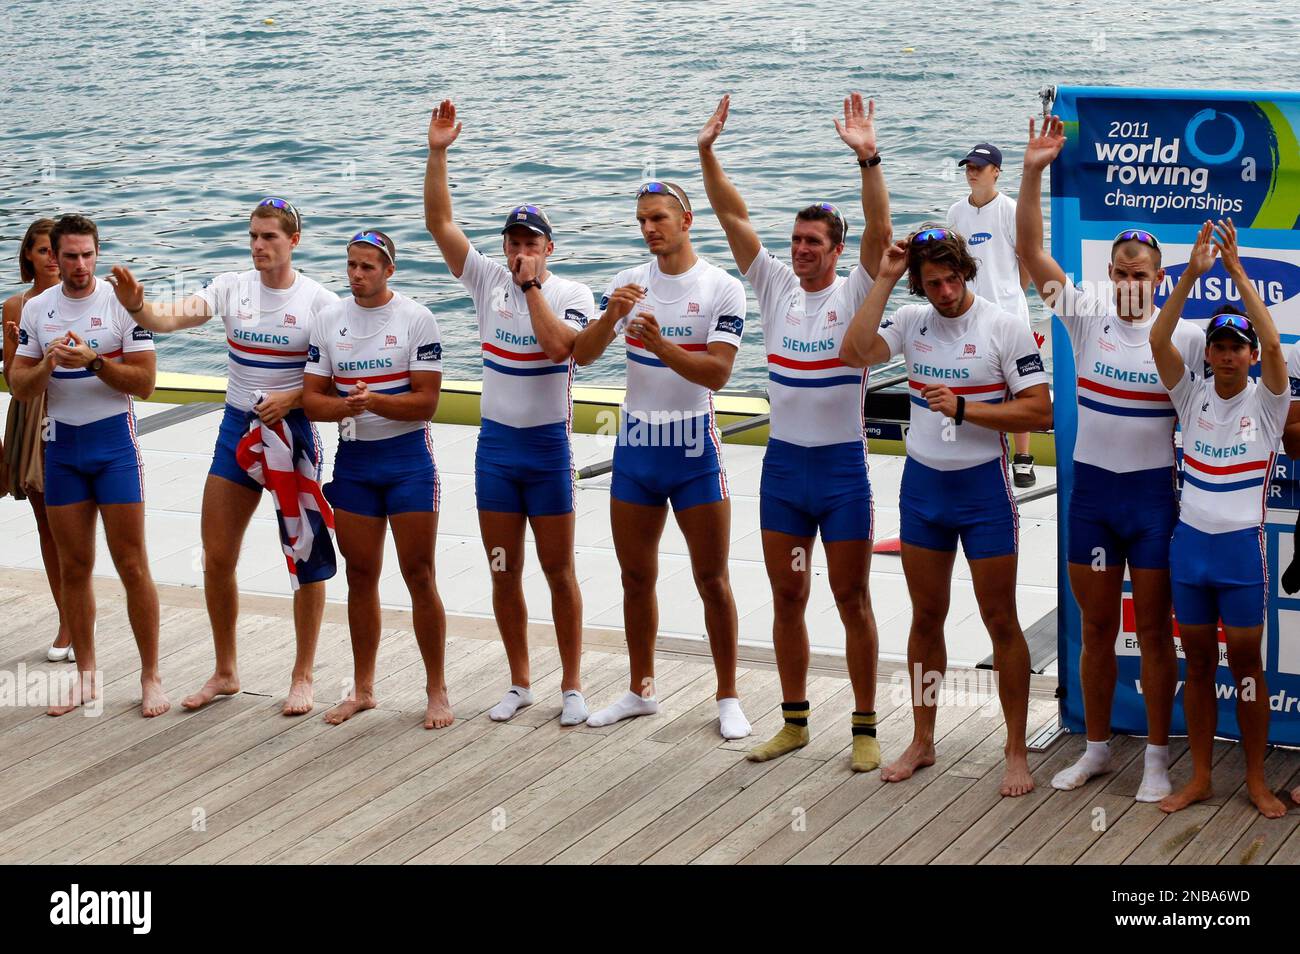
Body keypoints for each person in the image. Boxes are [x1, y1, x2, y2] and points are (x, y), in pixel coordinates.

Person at [697, 92, 890, 768]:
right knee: (788, 595)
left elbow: (877, 227)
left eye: (814, 242)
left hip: (840, 471)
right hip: (784, 470)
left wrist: (868, 158)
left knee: (850, 597)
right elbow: (730, 214)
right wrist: (706, 154)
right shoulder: (774, 285)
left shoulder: (858, 288)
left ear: (836, 251)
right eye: (797, 241)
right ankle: (795, 721)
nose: (801, 250)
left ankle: (865, 729)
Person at [1017, 116, 1206, 801]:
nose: (1129, 284)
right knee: (1097, 629)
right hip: (1094, 498)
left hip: (1153, 501)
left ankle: (1156, 757)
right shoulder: (1085, 314)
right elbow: (1029, 250)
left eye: (1141, 275)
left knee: (1155, 632)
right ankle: (1097, 748)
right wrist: (1035, 169)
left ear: (1160, 277)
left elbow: (1262, 372)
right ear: (1109, 274)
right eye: (1120, 273)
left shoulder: (1185, 336)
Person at [841, 226, 1052, 797]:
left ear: (967, 273)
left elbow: (1040, 412)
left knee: (1000, 620)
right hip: (924, 490)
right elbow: (853, 351)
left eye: (952, 279)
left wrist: (966, 409)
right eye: (931, 282)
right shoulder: (912, 321)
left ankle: (1014, 750)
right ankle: (923, 739)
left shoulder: (1004, 327)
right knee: (926, 618)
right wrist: (884, 280)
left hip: (982, 491)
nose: (944, 291)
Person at [108, 197, 338, 716]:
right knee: (216, 556)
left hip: (291, 433)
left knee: (304, 557)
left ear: (293, 241)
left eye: (269, 237)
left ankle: (302, 674)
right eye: (253, 236)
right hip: (237, 429)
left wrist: (294, 398)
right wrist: (137, 307)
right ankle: (226, 669)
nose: (258, 245)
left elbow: (337, 381)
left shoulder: (320, 303)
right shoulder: (231, 287)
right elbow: (167, 321)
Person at [423, 99, 592, 726]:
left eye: (531, 244)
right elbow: (440, 224)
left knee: (558, 570)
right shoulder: (486, 280)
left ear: (550, 248)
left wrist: (530, 287)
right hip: (496, 448)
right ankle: (520, 681)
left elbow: (558, 348)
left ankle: (571, 685)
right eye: (512, 244)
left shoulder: (571, 294)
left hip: (546, 448)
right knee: (504, 569)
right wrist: (439, 151)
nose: (520, 252)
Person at [572, 180, 751, 739]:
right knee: (634, 576)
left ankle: (727, 696)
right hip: (636, 444)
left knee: (712, 578)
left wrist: (659, 344)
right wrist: (608, 319)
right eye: (642, 221)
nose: (650, 229)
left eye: (659, 219)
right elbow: (581, 354)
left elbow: (717, 374)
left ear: (687, 219)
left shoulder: (721, 288)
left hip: (693, 442)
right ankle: (641, 690)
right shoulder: (627, 283)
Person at [1152, 219, 1289, 819]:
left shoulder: (1268, 402)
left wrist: (1237, 275)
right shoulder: (1192, 396)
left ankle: (1256, 780)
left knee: (1248, 668)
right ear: (1208, 354)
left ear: (1251, 355)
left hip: (1238, 554)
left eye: (1239, 345)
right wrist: (1189, 278)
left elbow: (1279, 348)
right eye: (1220, 345)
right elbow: (1158, 341)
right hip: (1190, 551)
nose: (1229, 353)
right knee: (1199, 666)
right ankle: (1202, 777)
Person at [8, 214, 168, 717]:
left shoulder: (122, 304)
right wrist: (50, 364)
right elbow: (19, 385)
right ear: (55, 256)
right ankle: (86, 676)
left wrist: (94, 362)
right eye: (70, 256)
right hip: (62, 449)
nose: (79, 265)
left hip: (114, 446)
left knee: (133, 564)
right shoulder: (37, 309)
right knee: (75, 567)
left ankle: (150, 677)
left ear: (97, 254)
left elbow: (145, 384)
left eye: (87, 255)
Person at [302, 230, 452, 729]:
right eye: (351, 265)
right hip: (356, 462)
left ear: (389, 270)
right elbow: (312, 399)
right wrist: (348, 406)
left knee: (420, 574)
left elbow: (428, 403)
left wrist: (375, 403)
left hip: (408, 459)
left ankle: (437, 690)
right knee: (360, 575)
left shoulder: (416, 318)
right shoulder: (328, 321)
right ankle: (363, 688)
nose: (357, 275)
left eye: (368, 266)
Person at [946, 142, 1037, 487]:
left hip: (1009, 311)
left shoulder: (1011, 210)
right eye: (968, 166)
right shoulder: (956, 212)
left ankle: (1023, 457)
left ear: (996, 171)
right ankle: (969, 450)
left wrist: (1012, 294)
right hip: (968, 313)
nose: (972, 171)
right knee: (966, 379)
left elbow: (1026, 260)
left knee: (1019, 386)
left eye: (979, 167)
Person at [2, 217, 71, 661]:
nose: (51, 258)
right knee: (46, 521)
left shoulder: (84, 298)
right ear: (29, 255)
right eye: (42, 250)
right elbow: (13, 379)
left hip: (74, 411)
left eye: (56, 250)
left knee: (74, 520)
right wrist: (18, 351)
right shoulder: (15, 306)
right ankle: (66, 620)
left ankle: (79, 616)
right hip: (33, 414)